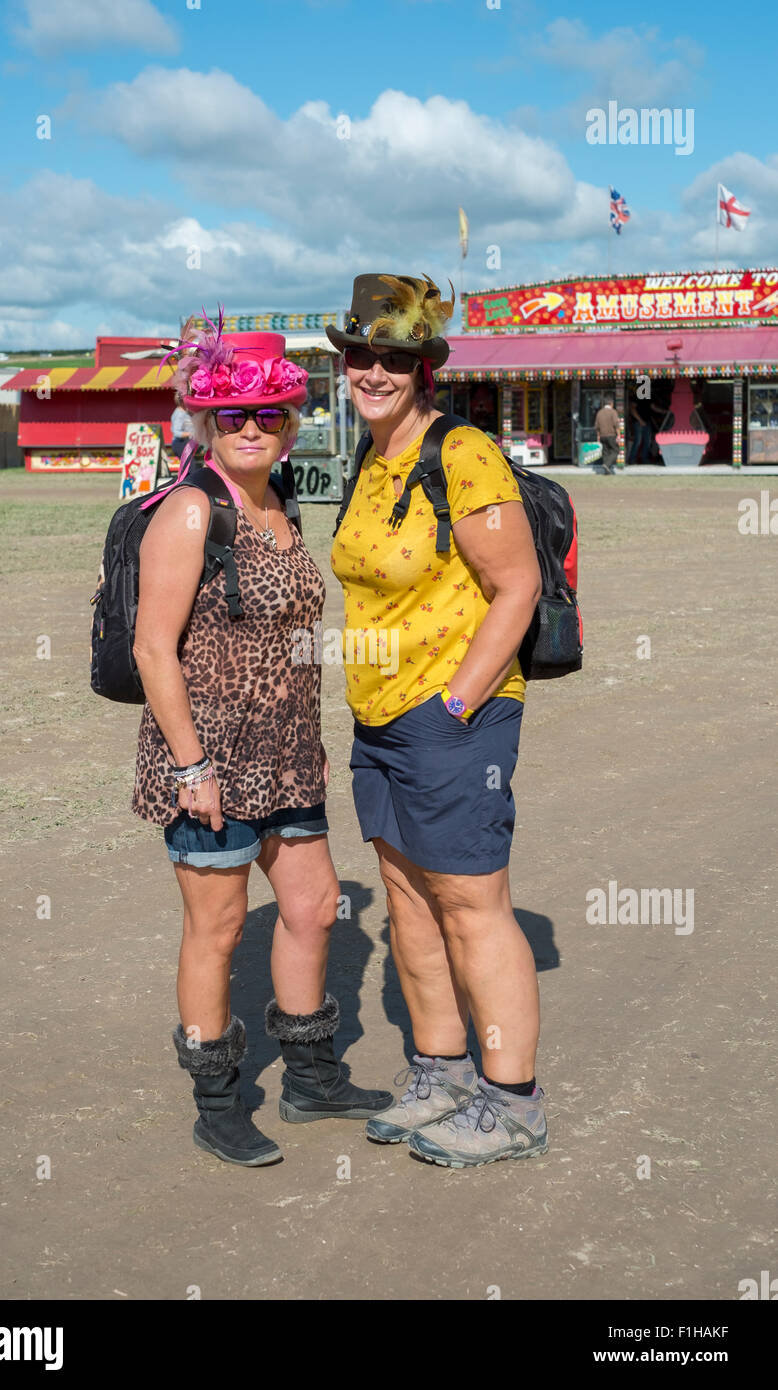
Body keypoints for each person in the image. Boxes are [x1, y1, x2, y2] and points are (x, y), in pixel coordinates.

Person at [132, 316, 392, 1167]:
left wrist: (310, 734)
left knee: (313, 907)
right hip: (208, 756)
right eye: (234, 415)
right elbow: (151, 648)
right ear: (207, 421)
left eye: (269, 414)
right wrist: (191, 765)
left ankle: (312, 1078)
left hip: (285, 753)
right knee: (217, 927)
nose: (253, 428)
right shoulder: (189, 512)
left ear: (290, 421)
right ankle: (218, 1100)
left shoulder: (280, 506)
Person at [326, 273, 548, 1168]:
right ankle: (441, 1073)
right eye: (361, 355)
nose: (374, 370)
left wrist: (456, 702)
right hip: (379, 719)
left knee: (471, 904)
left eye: (394, 356)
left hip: (454, 716)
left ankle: (514, 1103)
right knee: (411, 901)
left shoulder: (462, 453)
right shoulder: (372, 458)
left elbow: (518, 584)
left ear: (423, 366)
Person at [594, 396, 620, 473]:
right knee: (616, 450)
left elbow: (597, 426)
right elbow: (616, 424)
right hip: (611, 435)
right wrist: (618, 435)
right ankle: (607, 465)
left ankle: (606, 470)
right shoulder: (613, 412)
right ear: (611, 403)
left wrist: (598, 436)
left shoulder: (599, 412)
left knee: (605, 452)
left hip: (602, 436)